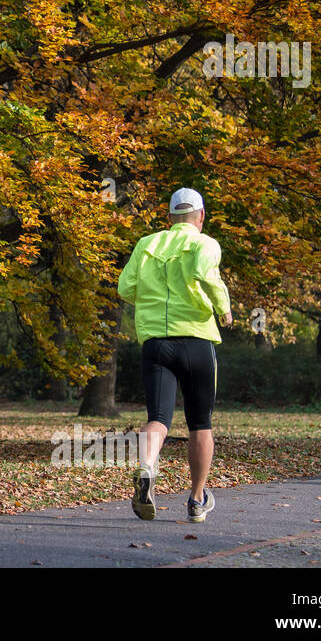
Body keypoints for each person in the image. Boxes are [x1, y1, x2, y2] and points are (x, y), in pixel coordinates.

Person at [117, 188, 232, 522]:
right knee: (200, 423)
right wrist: (223, 308)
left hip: (156, 343)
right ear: (201, 216)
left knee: (159, 418)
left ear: (169, 218)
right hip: (196, 341)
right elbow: (202, 273)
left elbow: (125, 288)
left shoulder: (146, 244)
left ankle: (147, 466)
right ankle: (197, 500)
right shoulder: (204, 242)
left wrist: (152, 299)